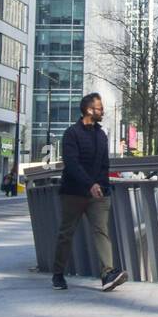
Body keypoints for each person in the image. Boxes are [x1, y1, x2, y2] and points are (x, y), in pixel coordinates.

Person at [50, 93, 127, 291]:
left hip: (98, 195)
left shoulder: (101, 135)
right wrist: (89, 184)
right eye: (100, 108)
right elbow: (72, 165)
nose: (103, 112)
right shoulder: (71, 134)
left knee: (102, 231)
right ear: (89, 110)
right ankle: (58, 274)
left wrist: (102, 186)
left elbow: (104, 165)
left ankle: (107, 274)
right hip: (73, 193)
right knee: (66, 234)